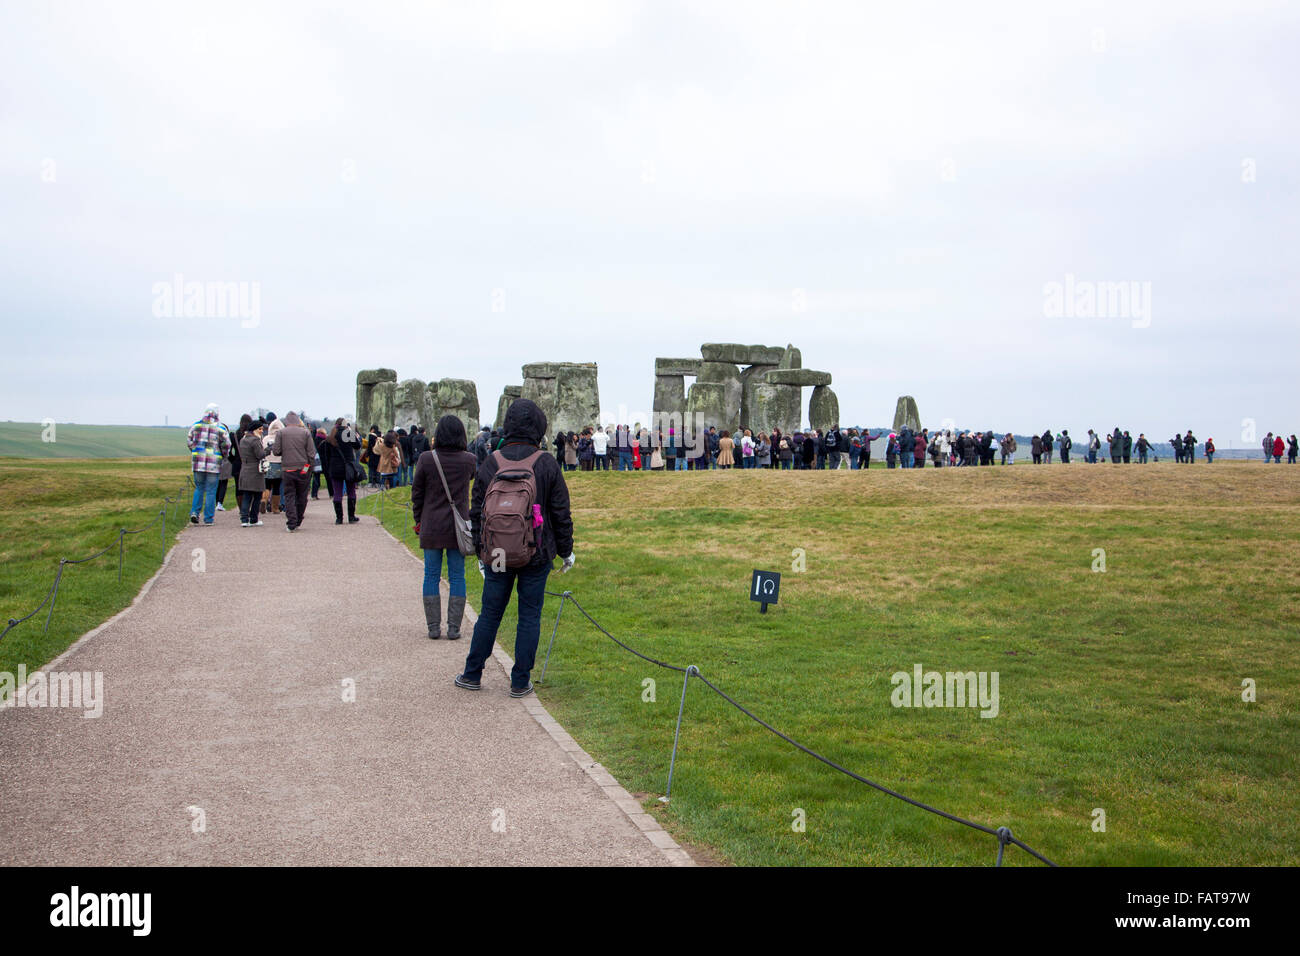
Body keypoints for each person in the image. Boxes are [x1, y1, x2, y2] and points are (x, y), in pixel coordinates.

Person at [456, 399, 574, 697]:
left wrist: (482, 549)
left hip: (497, 553)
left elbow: (477, 509)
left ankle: (472, 673)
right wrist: (566, 550)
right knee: (529, 615)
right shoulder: (546, 462)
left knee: (490, 613)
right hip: (536, 551)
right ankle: (520, 680)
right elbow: (560, 512)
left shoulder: (492, 461)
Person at [411, 415, 477, 641]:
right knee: (457, 576)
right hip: (458, 526)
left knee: (431, 575)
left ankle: (432, 627)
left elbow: (417, 492)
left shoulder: (427, 459)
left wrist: (418, 519)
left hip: (431, 523)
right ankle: (454, 627)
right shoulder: (469, 460)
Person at [271, 412, 317, 531]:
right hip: (303, 468)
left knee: (289, 495)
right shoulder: (306, 433)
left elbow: (276, 451)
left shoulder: (281, 433)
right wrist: (308, 468)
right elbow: (311, 454)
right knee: (302, 495)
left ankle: (291, 521)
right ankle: (298, 519)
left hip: (288, 468)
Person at [187, 403, 231, 525]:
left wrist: (195, 451)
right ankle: (208, 518)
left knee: (199, 488)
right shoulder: (220, 428)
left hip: (198, 462)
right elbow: (226, 444)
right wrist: (223, 455)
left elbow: (189, 441)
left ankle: (195, 512)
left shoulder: (195, 426)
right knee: (211, 490)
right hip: (214, 463)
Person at [322, 418, 362, 524]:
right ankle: (351, 517)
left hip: (335, 467)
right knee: (351, 491)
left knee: (337, 493)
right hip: (349, 466)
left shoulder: (330, 437)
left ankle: (339, 518)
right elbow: (358, 446)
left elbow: (327, 455)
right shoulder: (348, 434)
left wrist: (329, 467)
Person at [236, 418, 270, 527]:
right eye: (259, 429)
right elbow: (260, 455)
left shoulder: (243, 439)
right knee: (257, 496)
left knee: (247, 496)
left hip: (245, 469)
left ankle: (244, 519)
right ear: (254, 429)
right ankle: (253, 518)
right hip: (255, 470)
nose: (261, 431)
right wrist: (269, 450)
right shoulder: (255, 441)